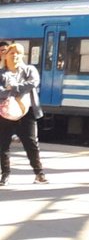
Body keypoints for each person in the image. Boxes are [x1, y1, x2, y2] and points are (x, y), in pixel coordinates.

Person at [0, 40, 45, 185]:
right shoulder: (1, 73)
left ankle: (39, 173)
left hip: (27, 112)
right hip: (4, 113)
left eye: (18, 53)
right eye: (12, 53)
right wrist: (10, 90)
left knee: (31, 143)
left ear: (23, 56)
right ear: (5, 56)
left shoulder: (30, 70)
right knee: (3, 144)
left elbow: (33, 83)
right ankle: (5, 174)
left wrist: (12, 87)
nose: (15, 56)